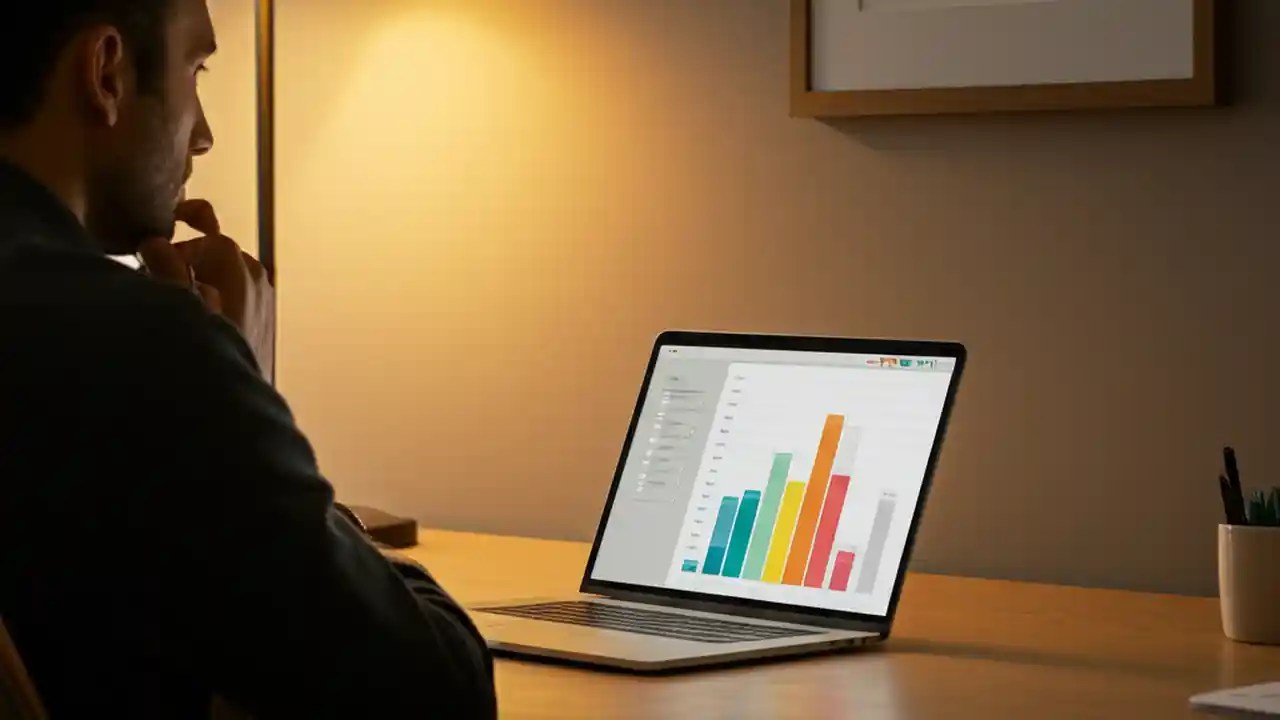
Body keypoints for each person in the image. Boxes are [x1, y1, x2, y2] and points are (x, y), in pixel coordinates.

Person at [0, 1, 496, 717]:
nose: (203, 134)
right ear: (105, 72)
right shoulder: (142, 353)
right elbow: (434, 694)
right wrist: (239, 385)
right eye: (195, 70)